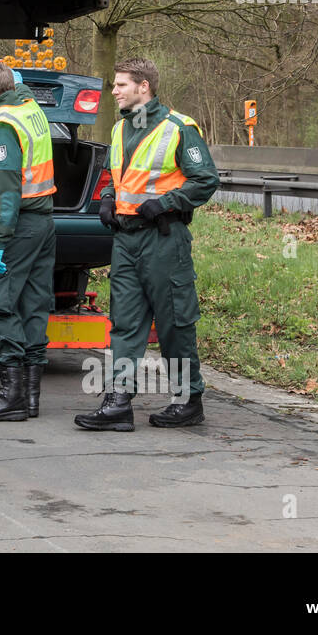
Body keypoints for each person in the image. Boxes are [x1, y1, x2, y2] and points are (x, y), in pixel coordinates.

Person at [75, 57, 218, 432]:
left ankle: (188, 400)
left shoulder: (178, 128)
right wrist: (107, 197)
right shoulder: (121, 129)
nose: (114, 91)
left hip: (163, 239)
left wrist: (167, 203)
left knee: (175, 323)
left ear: (144, 87)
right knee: (124, 324)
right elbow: (117, 175)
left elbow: (205, 180)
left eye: (121, 84)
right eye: (114, 84)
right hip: (125, 240)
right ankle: (118, 402)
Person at [0, 63, 57, 422]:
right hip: (42, 224)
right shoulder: (32, 110)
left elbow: (6, 191)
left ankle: (10, 397)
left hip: (15, 226)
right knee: (32, 305)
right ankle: (30, 398)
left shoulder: (3, 125)